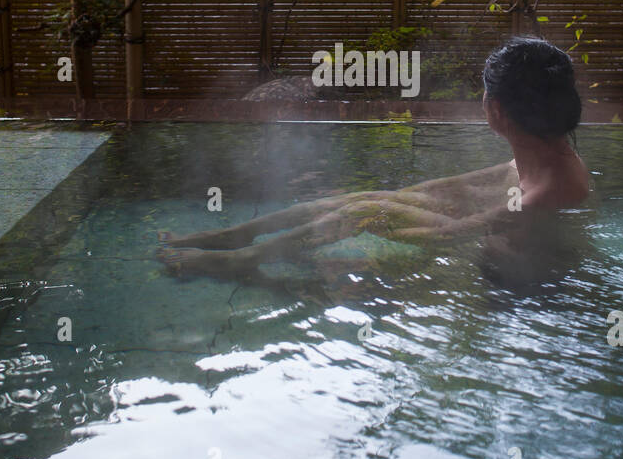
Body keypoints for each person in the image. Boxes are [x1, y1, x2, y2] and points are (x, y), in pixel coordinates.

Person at [158, 36, 590, 279]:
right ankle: (236, 235)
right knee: (366, 199)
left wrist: (375, 215)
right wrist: (382, 199)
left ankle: (239, 262)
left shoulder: (551, 188)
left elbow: (449, 236)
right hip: (498, 247)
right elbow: (450, 190)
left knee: (367, 210)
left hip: (517, 289)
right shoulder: (540, 153)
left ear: (496, 109)